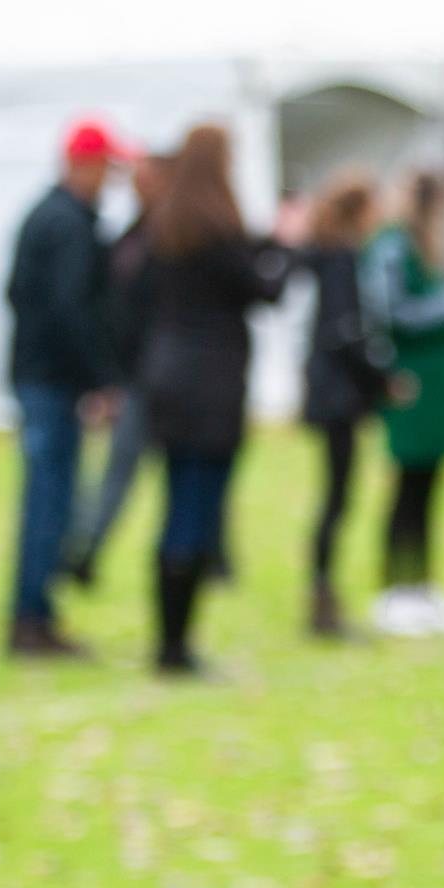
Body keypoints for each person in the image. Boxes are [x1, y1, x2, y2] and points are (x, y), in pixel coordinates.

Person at [137, 124, 294, 674]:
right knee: (196, 512)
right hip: (211, 388)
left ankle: (168, 640)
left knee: (177, 504)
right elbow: (266, 288)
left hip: (168, 380)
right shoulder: (217, 231)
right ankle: (175, 648)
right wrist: (286, 243)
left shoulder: (167, 228)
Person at [4, 119, 132, 657]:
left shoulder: (48, 216)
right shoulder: (68, 224)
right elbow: (71, 308)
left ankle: (37, 613)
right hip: (53, 383)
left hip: (40, 377)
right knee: (50, 502)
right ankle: (32, 618)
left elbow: (16, 293)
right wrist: (98, 379)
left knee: (49, 498)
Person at [362, 172, 444, 639]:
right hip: (412, 384)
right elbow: (393, 314)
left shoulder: (420, 247)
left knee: (427, 488)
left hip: (437, 385)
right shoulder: (392, 246)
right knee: (406, 488)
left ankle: (421, 587)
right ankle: (393, 590)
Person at [64, 152, 172, 587]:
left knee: (172, 472)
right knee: (119, 470)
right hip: (137, 375)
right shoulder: (133, 235)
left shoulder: (164, 237)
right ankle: (85, 549)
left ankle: (203, 555)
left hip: (154, 374)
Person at [300, 172, 390, 637]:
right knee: (337, 497)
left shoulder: (329, 254)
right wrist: (383, 377)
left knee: (335, 495)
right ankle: (321, 597)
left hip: (330, 390)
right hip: (337, 395)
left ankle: (322, 594)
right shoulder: (341, 258)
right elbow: (345, 332)